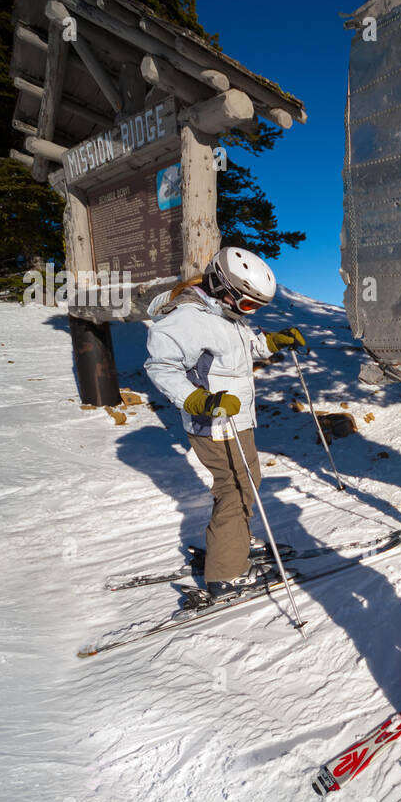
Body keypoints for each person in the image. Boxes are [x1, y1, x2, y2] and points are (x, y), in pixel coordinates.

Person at [143, 246, 307, 598]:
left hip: (236, 418)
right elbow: (160, 367)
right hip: (214, 421)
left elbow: (245, 348)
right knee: (234, 487)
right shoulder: (187, 319)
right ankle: (227, 571)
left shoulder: (224, 314)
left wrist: (274, 342)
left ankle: (234, 538)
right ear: (222, 287)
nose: (249, 312)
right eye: (248, 305)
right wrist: (198, 400)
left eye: (256, 308)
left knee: (246, 481)